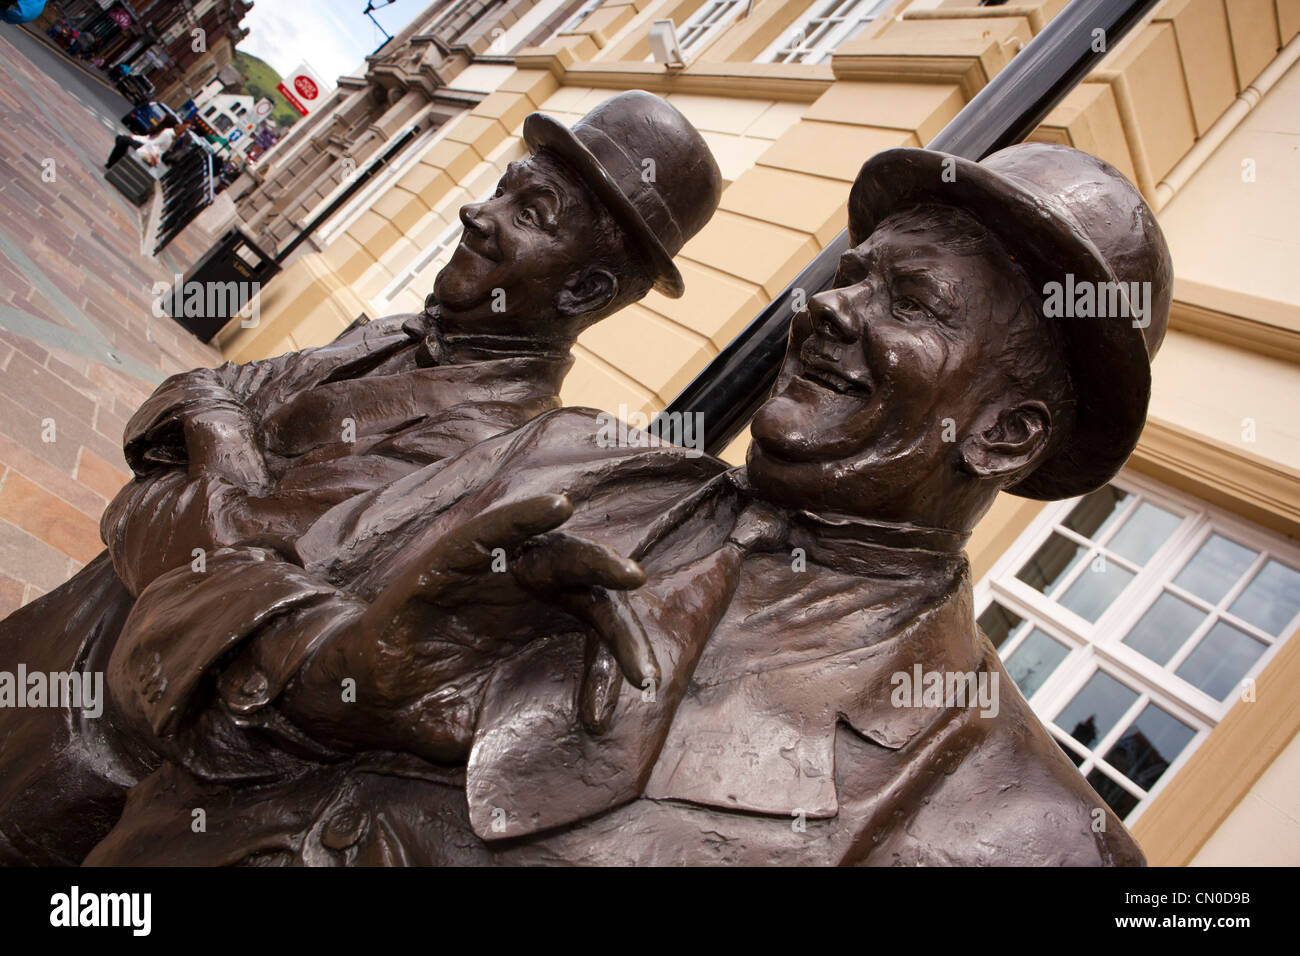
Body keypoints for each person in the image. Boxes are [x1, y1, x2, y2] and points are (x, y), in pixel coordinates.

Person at [77, 141, 1169, 866]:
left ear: (1006, 433)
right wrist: (345, 670)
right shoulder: (568, 452)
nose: (827, 309)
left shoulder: (1022, 829)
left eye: (908, 300)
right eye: (849, 272)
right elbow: (188, 595)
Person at [0, 91, 722, 865]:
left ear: (582, 291)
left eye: (529, 211)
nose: (478, 213)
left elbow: (200, 559)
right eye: (503, 186)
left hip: (84, 751)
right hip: (42, 649)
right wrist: (217, 434)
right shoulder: (398, 331)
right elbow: (196, 393)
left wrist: (196, 469)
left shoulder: (488, 453)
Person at [105, 118, 189, 169]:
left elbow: (152, 143)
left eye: (163, 117)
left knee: (122, 140)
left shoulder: (166, 133)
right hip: (146, 146)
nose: (161, 117)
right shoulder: (165, 131)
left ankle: (112, 163)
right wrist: (134, 137)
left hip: (146, 149)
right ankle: (113, 161)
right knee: (120, 139)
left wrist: (134, 138)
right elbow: (148, 138)